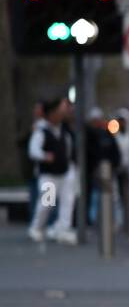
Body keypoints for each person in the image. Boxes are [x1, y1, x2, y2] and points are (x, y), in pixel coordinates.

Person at [27, 97, 77, 243]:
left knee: (68, 201)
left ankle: (62, 228)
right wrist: (44, 156)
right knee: (46, 203)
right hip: (49, 174)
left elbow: (69, 148)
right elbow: (33, 150)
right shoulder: (41, 130)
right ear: (50, 114)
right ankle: (36, 227)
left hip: (65, 172)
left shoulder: (64, 130)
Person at [84, 108, 122, 227]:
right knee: (94, 198)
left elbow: (115, 152)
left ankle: (109, 220)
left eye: (98, 120)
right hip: (92, 172)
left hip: (108, 171)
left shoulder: (107, 134)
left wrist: (114, 165)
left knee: (111, 197)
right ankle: (93, 220)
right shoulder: (87, 135)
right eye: (94, 120)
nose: (97, 123)